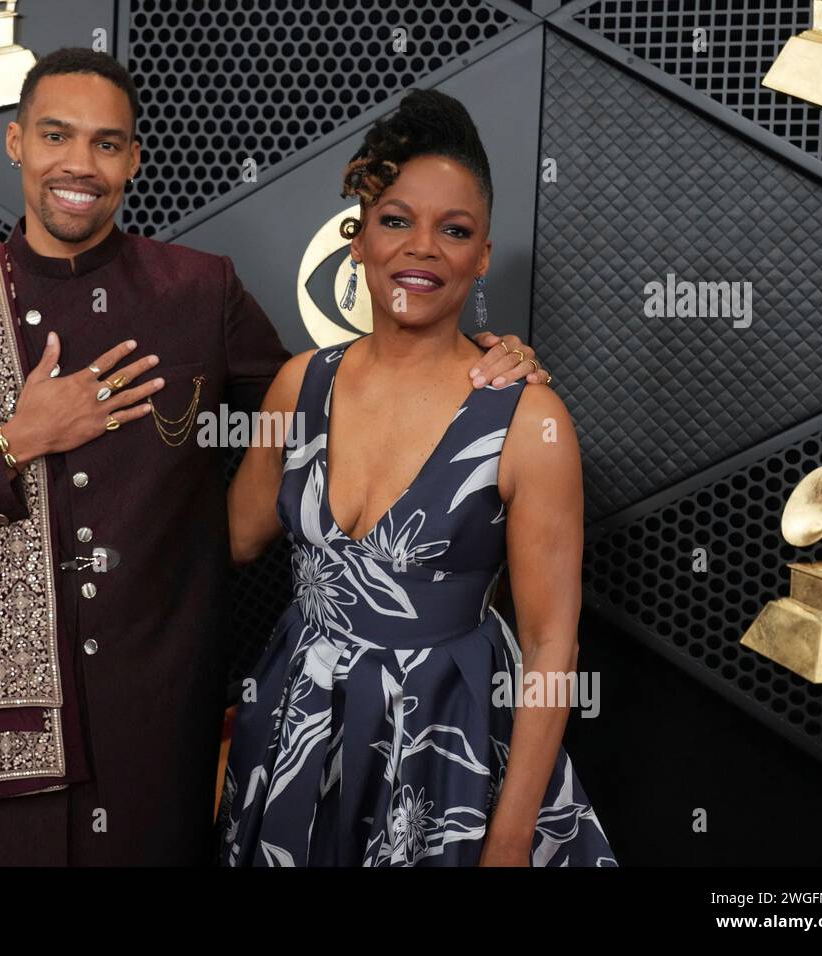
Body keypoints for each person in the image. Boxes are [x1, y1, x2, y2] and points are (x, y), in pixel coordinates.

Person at [0, 49, 553, 865]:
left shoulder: (197, 293)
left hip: (154, 736)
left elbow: (339, 398)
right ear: (14, 143)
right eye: (55, 136)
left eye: (108, 143)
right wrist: (13, 443)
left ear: (135, 159)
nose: (80, 164)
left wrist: (493, 362)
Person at [218, 89, 616, 867]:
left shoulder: (530, 423)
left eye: (454, 230)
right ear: (357, 240)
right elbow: (234, 537)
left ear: (482, 255)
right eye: (396, 220)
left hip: (446, 746)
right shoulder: (298, 387)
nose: (423, 248)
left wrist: (505, 839)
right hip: (295, 725)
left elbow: (548, 644)